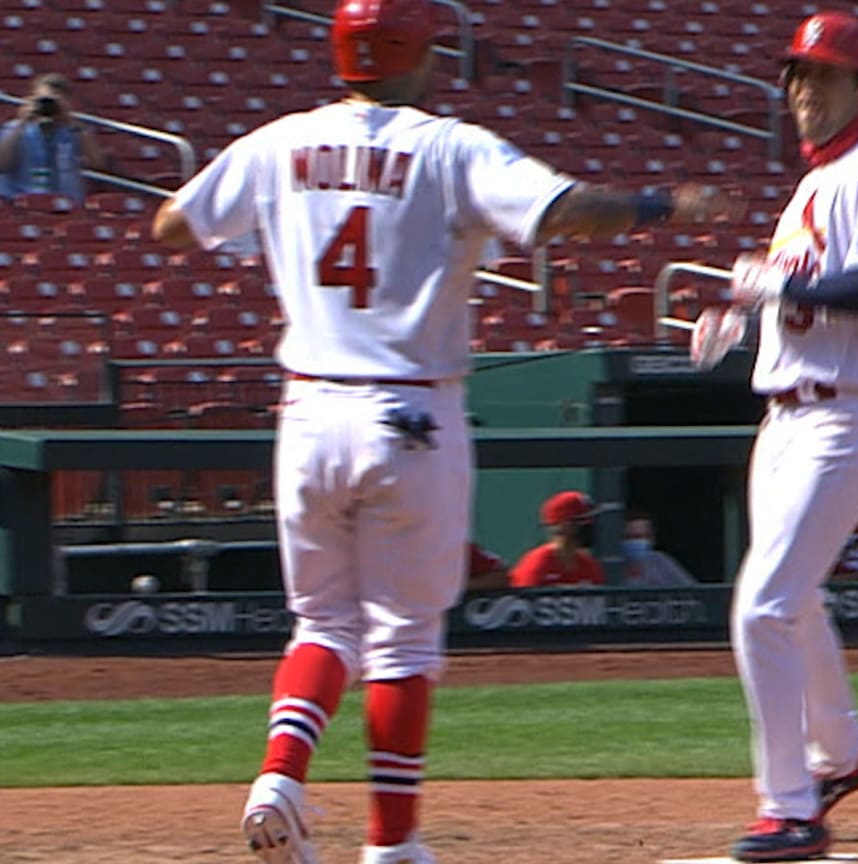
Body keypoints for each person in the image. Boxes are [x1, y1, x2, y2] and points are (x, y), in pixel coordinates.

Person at [149, 0, 732, 860]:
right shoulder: (447, 144)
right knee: (404, 637)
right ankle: (391, 845)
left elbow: (169, 226)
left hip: (308, 411)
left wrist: (285, 221)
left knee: (322, 624)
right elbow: (562, 209)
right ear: (413, 55)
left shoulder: (278, 141)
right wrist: (661, 206)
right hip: (409, 410)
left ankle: (280, 772)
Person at [720, 11, 858, 861]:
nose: (804, 89)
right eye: (798, 74)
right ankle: (845, 754)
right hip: (788, 410)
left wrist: (769, 292)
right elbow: (803, 293)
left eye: (824, 75)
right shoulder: (812, 184)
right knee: (790, 599)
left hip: (847, 412)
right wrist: (741, 314)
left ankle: (791, 805)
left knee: (763, 606)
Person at [0, 73, 105, 204]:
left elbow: (97, 163)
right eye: (44, 100)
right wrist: (23, 121)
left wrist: (71, 121)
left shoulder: (76, 130)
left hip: (65, 202)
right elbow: (2, 165)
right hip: (20, 200)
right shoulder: (14, 128)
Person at [509, 490, 605, 588]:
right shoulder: (538, 564)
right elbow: (521, 600)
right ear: (565, 525)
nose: (593, 526)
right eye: (586, 521)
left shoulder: (590, 566)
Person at [621, 509, 698, 588]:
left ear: (652, 539)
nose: (635, 542)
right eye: (629, 537)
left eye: (641, 537)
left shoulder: (659, 560)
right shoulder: (610, 565)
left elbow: (692, 590)